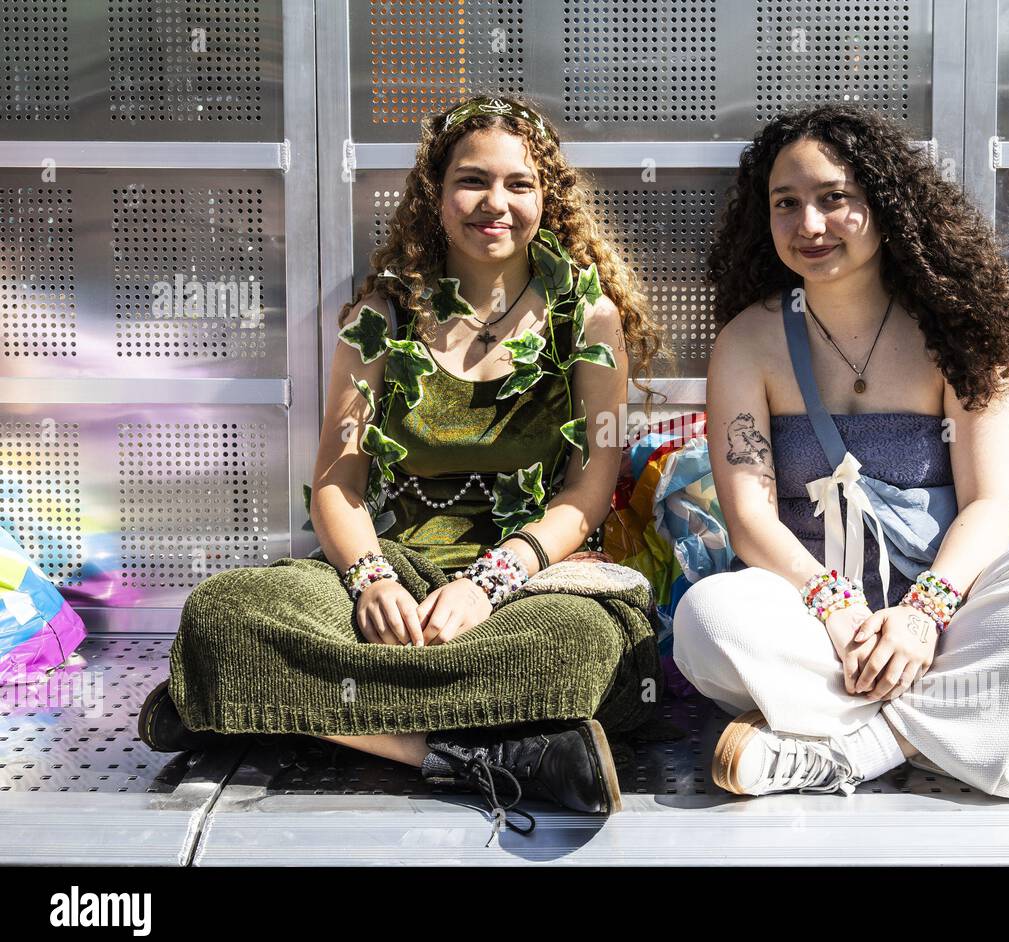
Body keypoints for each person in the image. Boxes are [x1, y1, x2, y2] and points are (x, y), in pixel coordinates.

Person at [137, 94, 669, 838]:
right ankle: (471, 754)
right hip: (396, 567)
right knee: (222, 613)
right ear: (435, 193)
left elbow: (589, 488)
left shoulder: (589, 318)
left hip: (530, 582)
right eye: (472, 180)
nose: (496, 203)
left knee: (579, 652)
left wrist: (491, 582)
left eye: (520, 184)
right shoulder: (379, 317)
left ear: (548, 198)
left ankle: (261, 706)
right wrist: (371, 579)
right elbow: (338, 480)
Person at [672, 104, 1009, 803]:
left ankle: (856, 748)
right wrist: (835, 608)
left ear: (885, 207)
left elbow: (989, 504)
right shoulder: (747, 342)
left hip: (946, 612)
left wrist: (923, 615)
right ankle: (964, 728)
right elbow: (750, 520)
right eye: (786, 204)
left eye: (834, 199)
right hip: (817, 623)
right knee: (708, 621)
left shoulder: (959, 330)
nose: (810, 226)